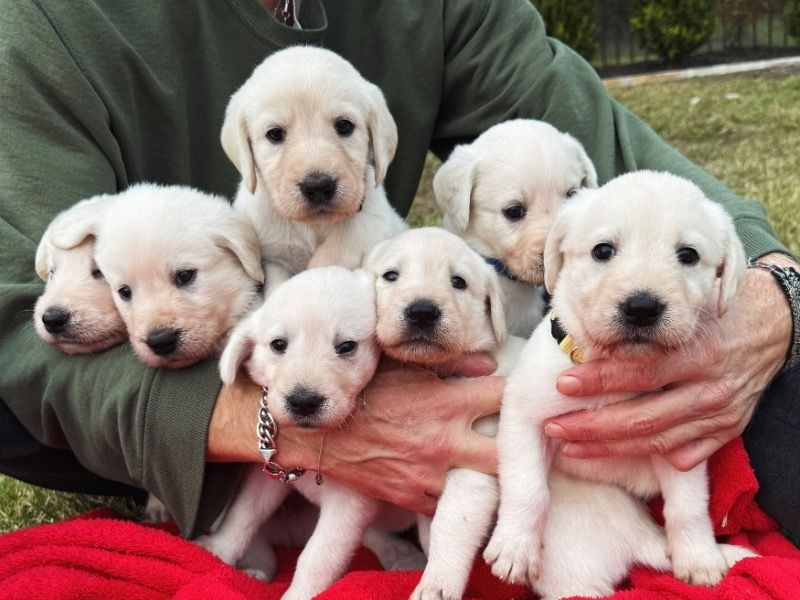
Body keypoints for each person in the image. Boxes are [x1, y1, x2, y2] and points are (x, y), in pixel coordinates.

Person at [0, 0, 797, 541]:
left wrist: (773, 295)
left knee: (766, 396)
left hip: (408, 361)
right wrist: (289, 424)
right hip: (175, 390)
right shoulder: (44, 24)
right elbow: (18, 311)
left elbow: (618, 159)